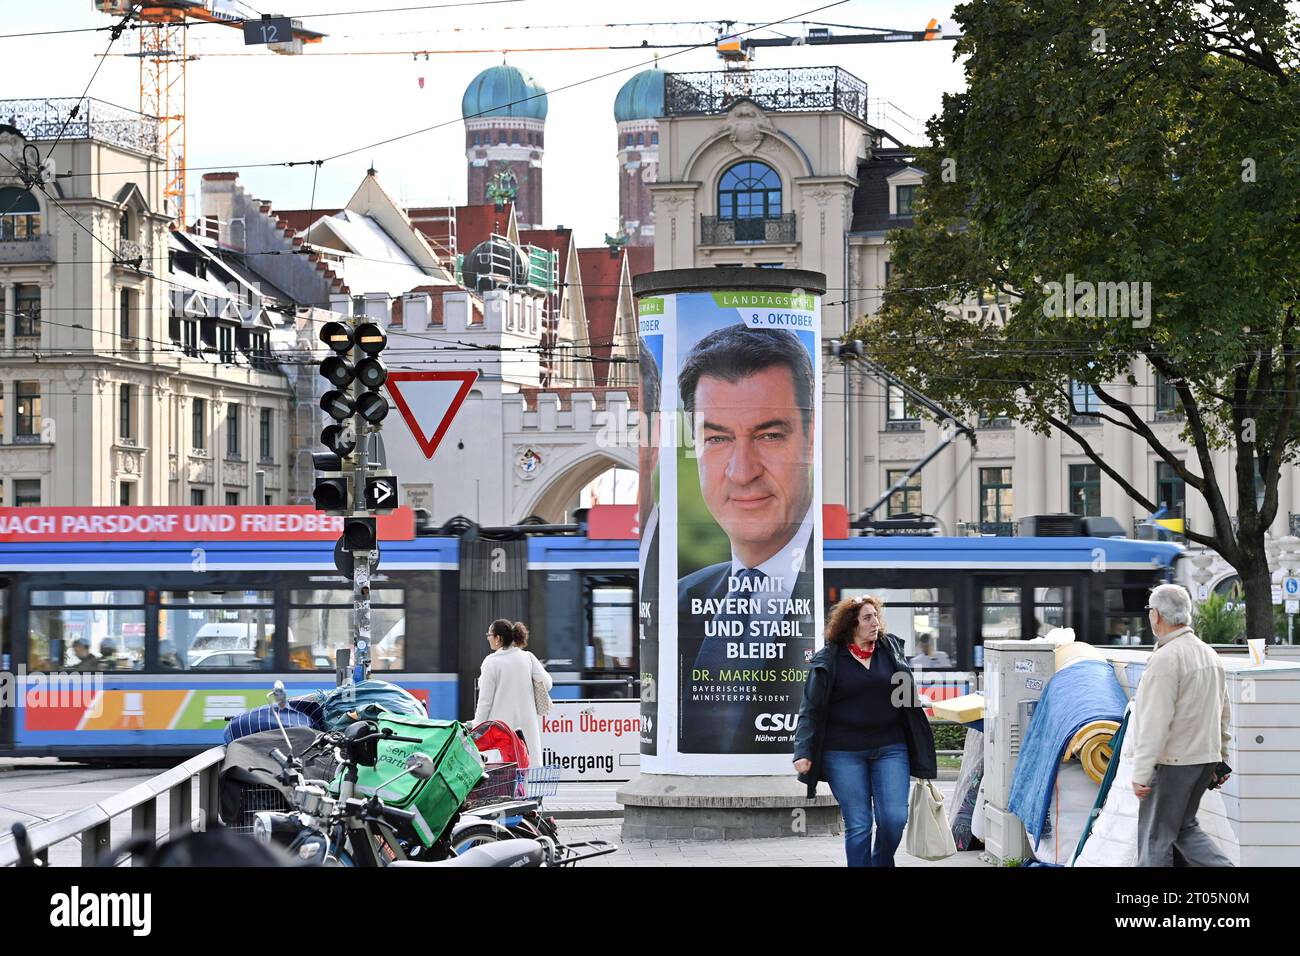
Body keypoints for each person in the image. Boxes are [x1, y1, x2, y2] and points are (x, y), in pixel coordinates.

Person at [676, 325, 816, 752]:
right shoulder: (684, 596)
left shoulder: (835, 589)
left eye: (769, 435)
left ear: (810, 441)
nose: (742, 471)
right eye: (717, 438)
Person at [792, 595, 938, 867]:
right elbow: (810, 708)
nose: (876, 623)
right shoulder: (830, 658)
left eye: (876, 616)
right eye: (867, 618)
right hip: (843, 752)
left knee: (894, 819)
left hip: (891, 747)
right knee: (859, 824)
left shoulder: (890, 649)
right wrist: (803, 750)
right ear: (851, 624)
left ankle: (881, 862)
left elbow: (906, 696)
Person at [1130, 583, 1234, 867]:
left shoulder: (1165, 659)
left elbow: (1154, 721)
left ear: (1156, 616)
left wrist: (1141, 771)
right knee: (1183, 829)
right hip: (1203, 760)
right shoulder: (1209, 654)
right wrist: (1221, 758)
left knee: (1156, 838)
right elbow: (1223, 711)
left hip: (1173, 763)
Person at [473, 619, 553, 766]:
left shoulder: (491, 662)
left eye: (489, 634)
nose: (488, 638)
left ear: (498, 638)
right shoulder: (527, 657)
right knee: (526, 768)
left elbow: (485, 702)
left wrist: (478, 728)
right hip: (525, 727)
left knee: (503, 776)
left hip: (500, 730)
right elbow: (547, 683)